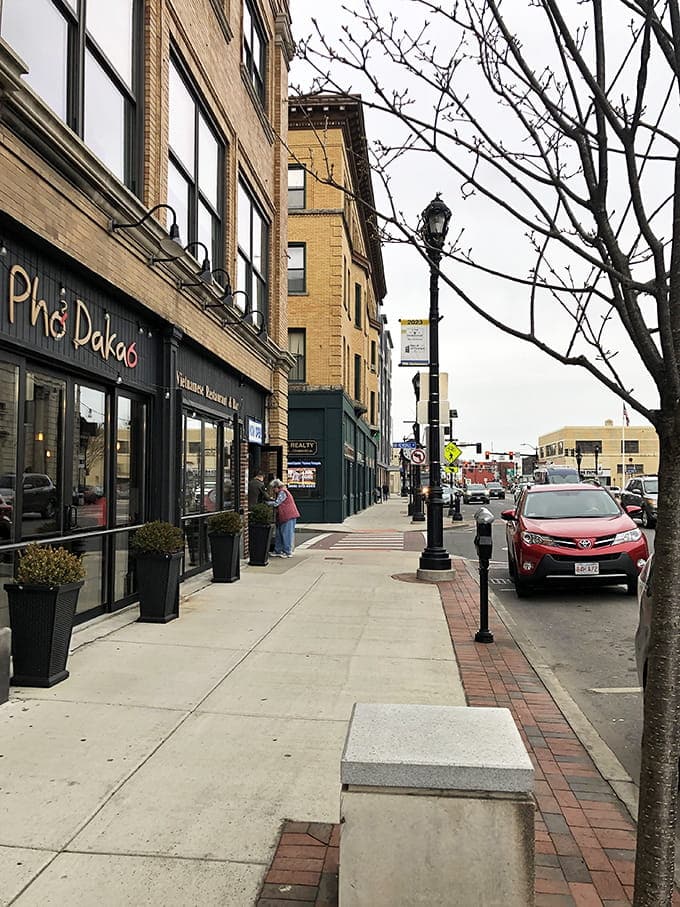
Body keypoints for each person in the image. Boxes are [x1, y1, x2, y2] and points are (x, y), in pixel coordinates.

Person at [266, 478, 300, 557]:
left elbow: (276, 503)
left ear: (277, 487)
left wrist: (267, 503)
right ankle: (278, 550)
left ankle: (287, 552)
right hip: (283, 516)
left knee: (286, 534)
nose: (273, 490)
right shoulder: (283, 492)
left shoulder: (283, 492)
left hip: (288, 516)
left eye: (273, 488)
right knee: (279, 534)